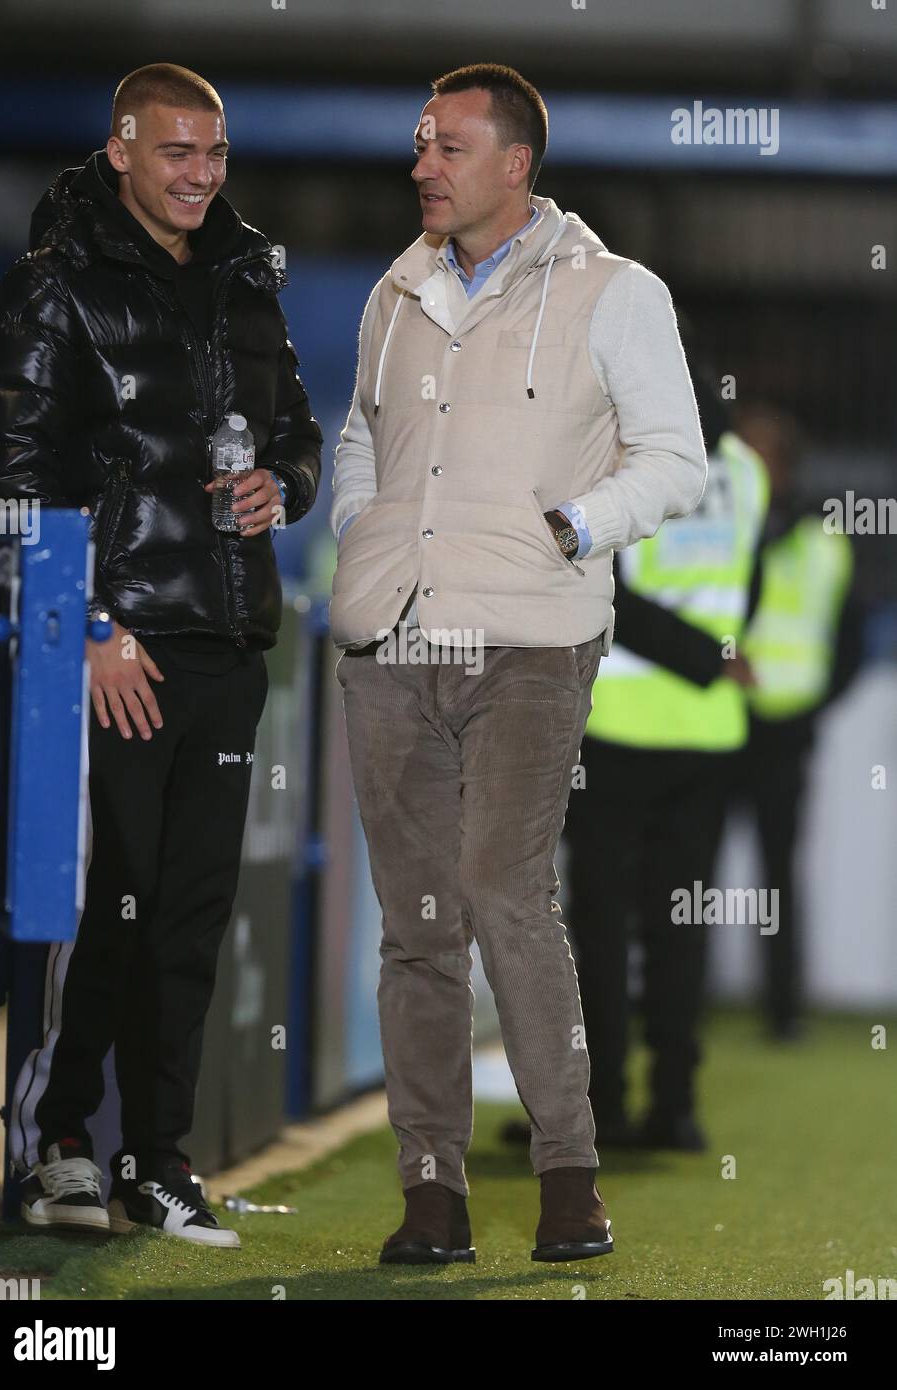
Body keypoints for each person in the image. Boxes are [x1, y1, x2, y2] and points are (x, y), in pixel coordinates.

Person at [330, 63, 706, 1264]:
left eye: (446, 148)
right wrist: (360, 527)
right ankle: (432, 1194)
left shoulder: (617, 292)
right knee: (417, 926)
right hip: (390, 637)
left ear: (515, 165)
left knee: (503, 894)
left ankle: (567, 1177)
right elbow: (359, 432)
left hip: (535, 642)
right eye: (419, 145)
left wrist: (572, 529)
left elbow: (677, 459)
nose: (422, 166)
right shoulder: (396, 287)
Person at [0, 63, 322, 1246]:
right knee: (91, 921)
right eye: (177, 152)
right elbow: (9, 488)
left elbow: (298, 430)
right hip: (108, 653)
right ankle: (55, 1148)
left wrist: (293, 483)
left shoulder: (248, 277)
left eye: (214, 154)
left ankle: (156, 1161)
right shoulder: (49, 285)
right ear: (120, 149)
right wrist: (91, 633)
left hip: (228, 644)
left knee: (185, 918)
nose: (199, 175)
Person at [562, 368, 768, 1152]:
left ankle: (603, 1107)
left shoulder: (628, 462)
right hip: (708, 737)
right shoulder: (744, 466)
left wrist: (699, 657)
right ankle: (676, 1106)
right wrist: (716, 659)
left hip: (616, 730)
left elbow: (608, 589)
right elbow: (742, 587)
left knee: (601, 926)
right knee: (680, 925)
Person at [735, 405, 859, 1040]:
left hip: (782, 732)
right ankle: (670, 1005)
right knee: (683, 872)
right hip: (720, 720)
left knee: (777, 872)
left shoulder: (821, 541)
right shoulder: (725, 529)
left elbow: (850, 641)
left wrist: (812, 703)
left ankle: (784, 1010)